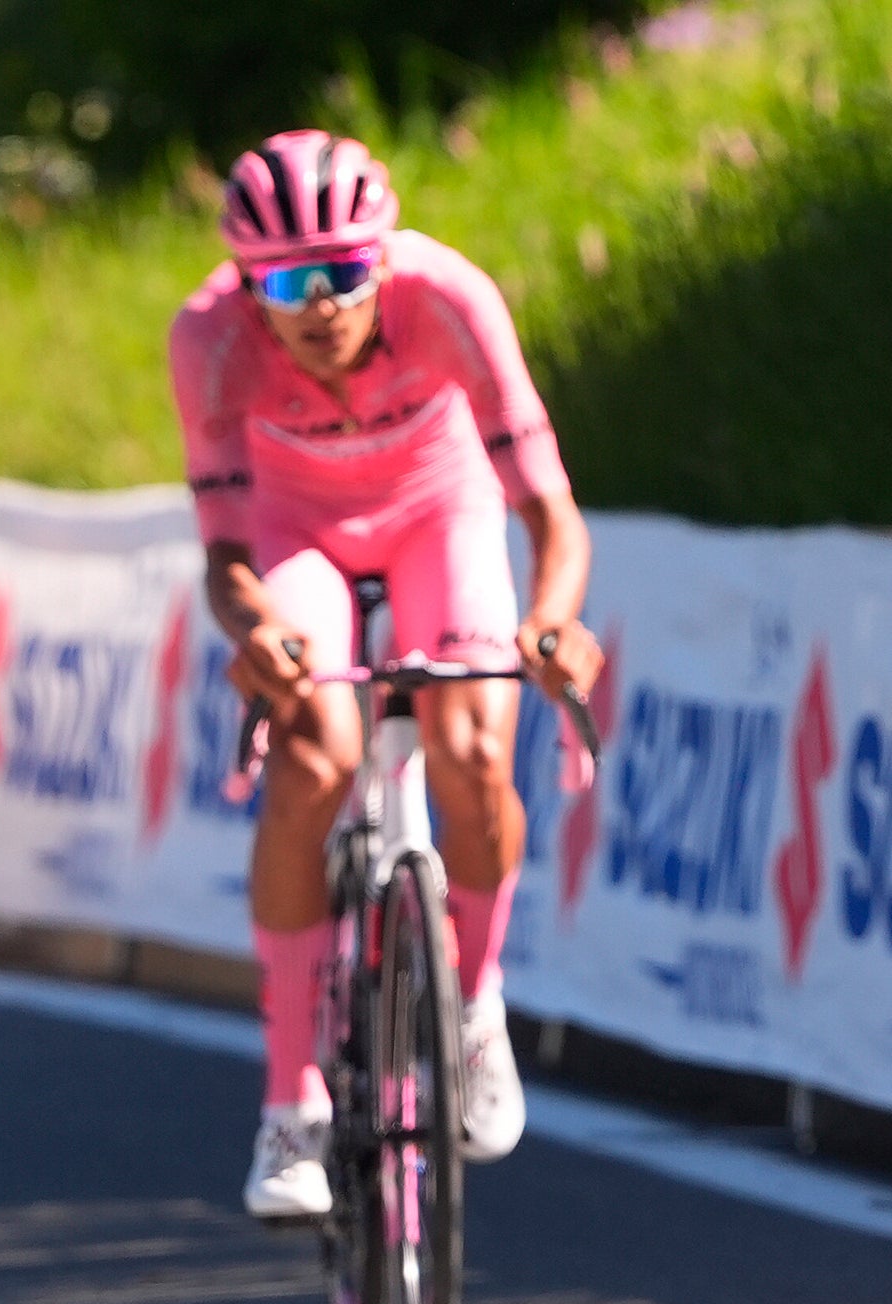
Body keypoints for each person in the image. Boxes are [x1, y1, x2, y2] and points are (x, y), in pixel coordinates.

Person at [168, 130, 602, 1219]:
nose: (320, 304)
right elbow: (224, 549)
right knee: (313, 755)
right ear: (242, 284)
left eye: (346, 272)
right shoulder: (209, 339)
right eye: (286, 281)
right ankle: (289, 1103)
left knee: (472, 751)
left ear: (385, 258)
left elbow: (545, 508)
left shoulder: (449, 296)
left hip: (437, 511)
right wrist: (252, 626)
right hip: (295, 526)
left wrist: (552, 620)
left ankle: (473, 1003)